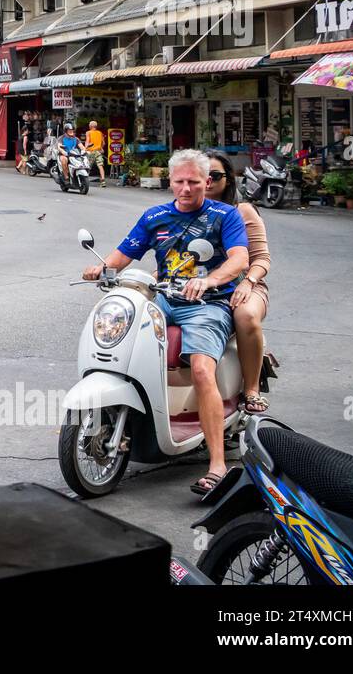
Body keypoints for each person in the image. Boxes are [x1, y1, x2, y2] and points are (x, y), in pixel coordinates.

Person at [82, 149, 250, 496]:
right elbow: (124, 253)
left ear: (207, 181)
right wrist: (102, 269)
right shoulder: (154, 215)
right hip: (161, 299)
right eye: (179, 181)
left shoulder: (225, 216)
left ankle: (217, 464)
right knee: (123, 342)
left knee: (202, 370)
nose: (186, 188)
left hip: (207, 304)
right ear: (170, 182)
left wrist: (210, 280)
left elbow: (239, 259)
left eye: (193, 182)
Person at [205, 151, 273, 415]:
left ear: (228, 180)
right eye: (202, 175)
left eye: (216, 175)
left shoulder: (241, 210)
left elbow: (261, 259)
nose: (208, 181)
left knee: (244, 315)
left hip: (247, 284)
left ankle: (252, 388)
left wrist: (249, 283)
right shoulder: (186, 212)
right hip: (202, 286)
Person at [85, 120, 107, 187]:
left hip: (91, 152)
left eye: (89, 125)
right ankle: (103, 181)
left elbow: (87, 142)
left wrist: (85, 147)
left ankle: (85, 180)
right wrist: (100, 148)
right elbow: (103, 143)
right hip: (98, 152)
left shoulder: (88, 132)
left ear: (90, 126)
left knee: (87, 166)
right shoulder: (100, 133)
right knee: (100, 166)